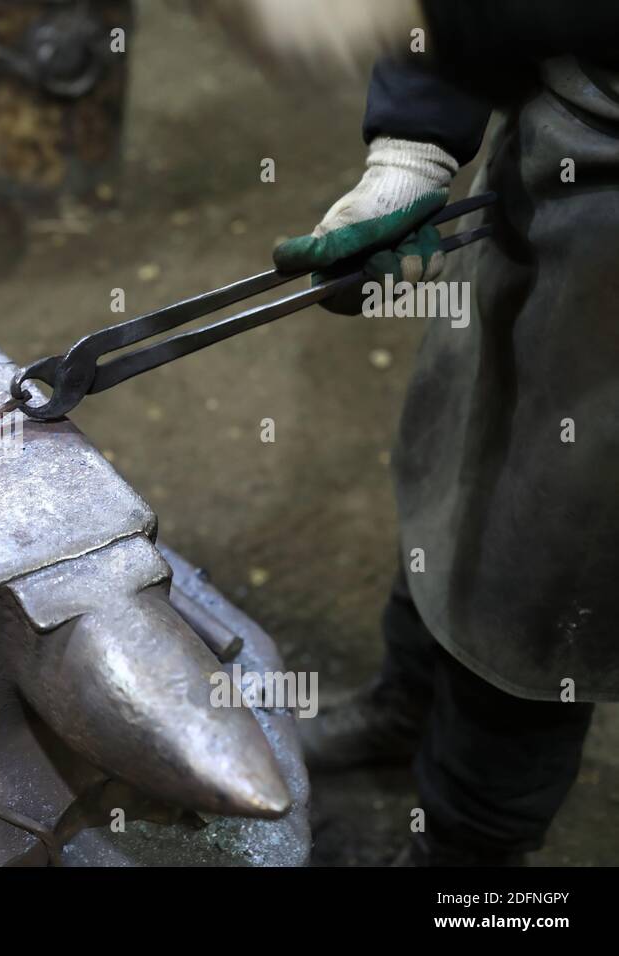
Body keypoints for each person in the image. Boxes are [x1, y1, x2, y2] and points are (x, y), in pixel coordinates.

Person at [203, 1, 619, 864]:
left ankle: (470, 855)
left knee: (545, 565)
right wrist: (413, 146)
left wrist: (415, 12)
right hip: (548, 149)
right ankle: (408, 703)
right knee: (454, 453)